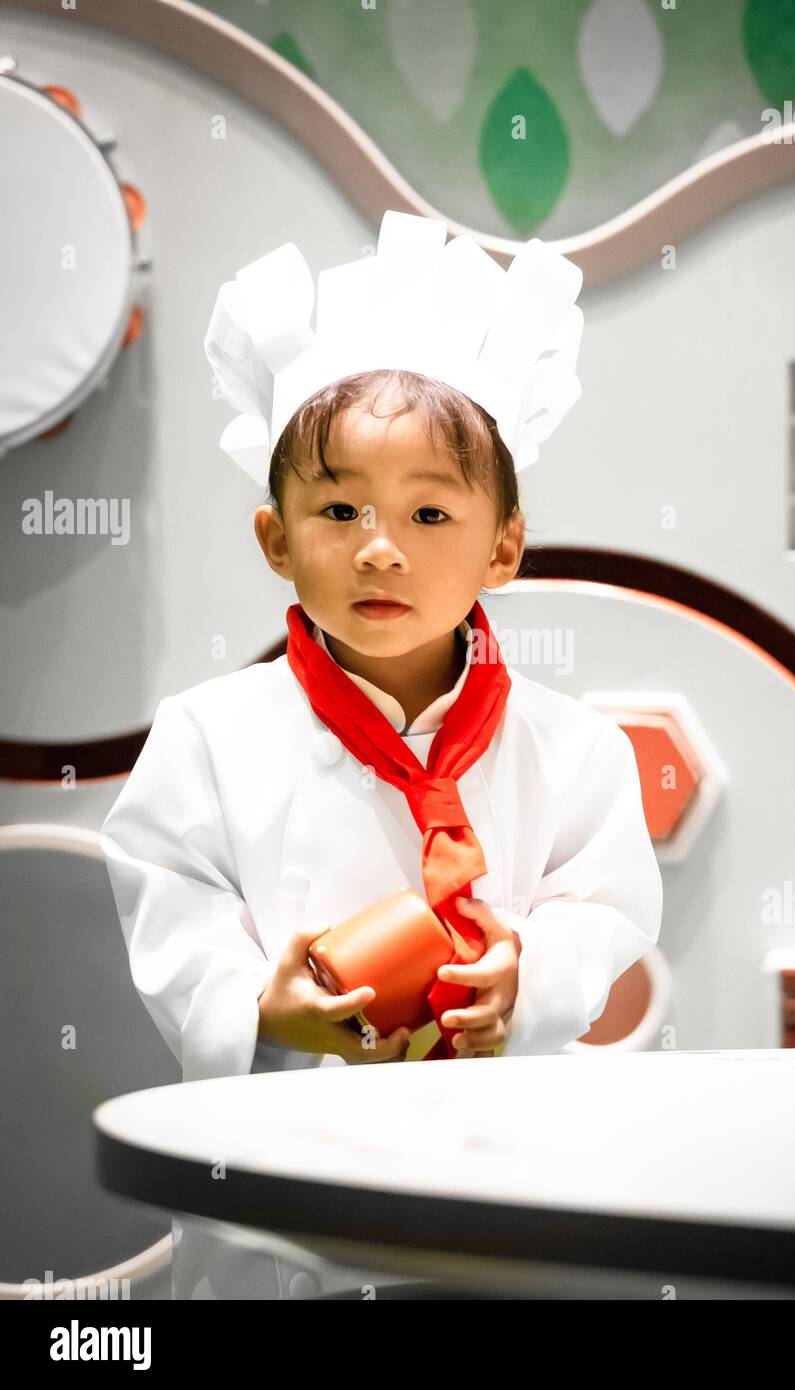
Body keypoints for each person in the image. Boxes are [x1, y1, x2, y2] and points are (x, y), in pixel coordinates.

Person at [100, 212, 664, 1299]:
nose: (378, 544)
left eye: (428, 511)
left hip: (506, 1187)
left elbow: (601, 912)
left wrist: (527, 980)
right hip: (273, 1191)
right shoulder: (207, 735)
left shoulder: (572, 748)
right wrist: (260, 1009)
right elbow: (174, 924)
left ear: (502, 546)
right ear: (275, 538)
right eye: (339, 507)